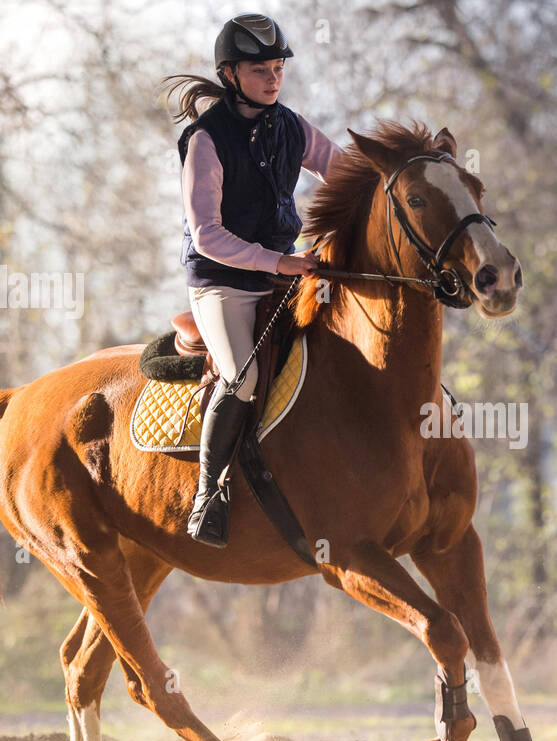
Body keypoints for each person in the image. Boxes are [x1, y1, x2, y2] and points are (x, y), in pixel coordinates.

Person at [163, 13, 345, 548]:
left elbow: (346, 172)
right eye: (260, 70)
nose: (273, 79)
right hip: (221, 284)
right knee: (241, 376)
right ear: (229, 74)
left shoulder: (292, 126)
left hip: (280, 275)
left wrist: (397, 180)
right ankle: (207, 496)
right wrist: (279, 262)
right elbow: (207, 235)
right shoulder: (206, 140)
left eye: (277, 68)